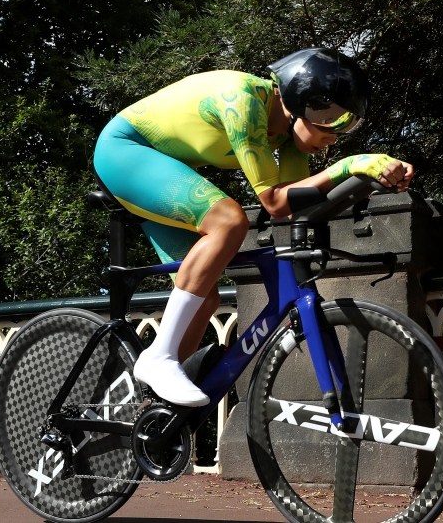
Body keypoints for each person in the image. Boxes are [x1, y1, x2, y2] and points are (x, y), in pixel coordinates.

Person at [92, 48, 414, 407]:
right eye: (334, 120)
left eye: (347, 125)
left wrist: (369, 181)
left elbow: (293, 207)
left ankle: (148, 409)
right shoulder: (242, 101)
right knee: (229, 221)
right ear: (302, 105)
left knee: (204, 299)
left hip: (159, 167)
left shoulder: (289, 137)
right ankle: (159, 357)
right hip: (124, 150)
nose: (336, 136)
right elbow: (273, 201)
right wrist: (352, 165)